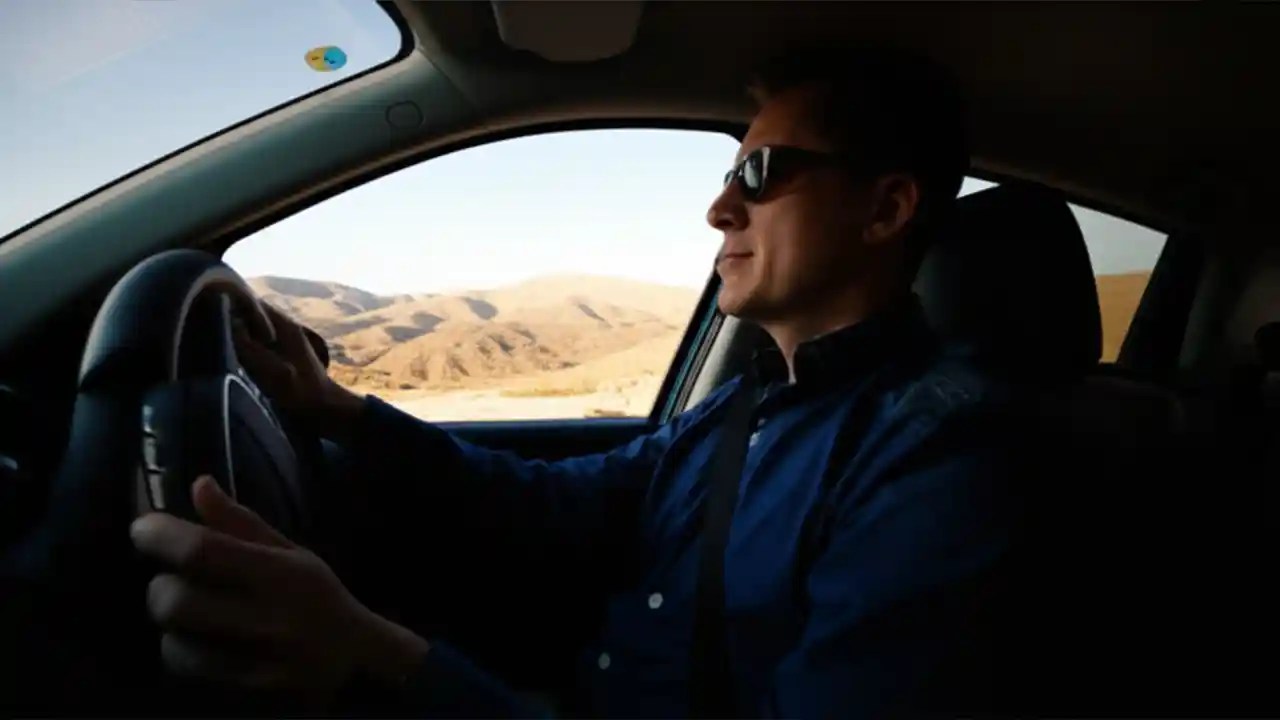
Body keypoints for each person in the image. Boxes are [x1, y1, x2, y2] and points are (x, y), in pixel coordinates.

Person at [129, 47, 1018, 718]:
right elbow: (556, 503)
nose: (718, 208)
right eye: (725, 177)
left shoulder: (936, 458)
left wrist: (379, 658)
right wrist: (335, 409)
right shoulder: (743, 410)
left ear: (887, 208)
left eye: (759, 173)